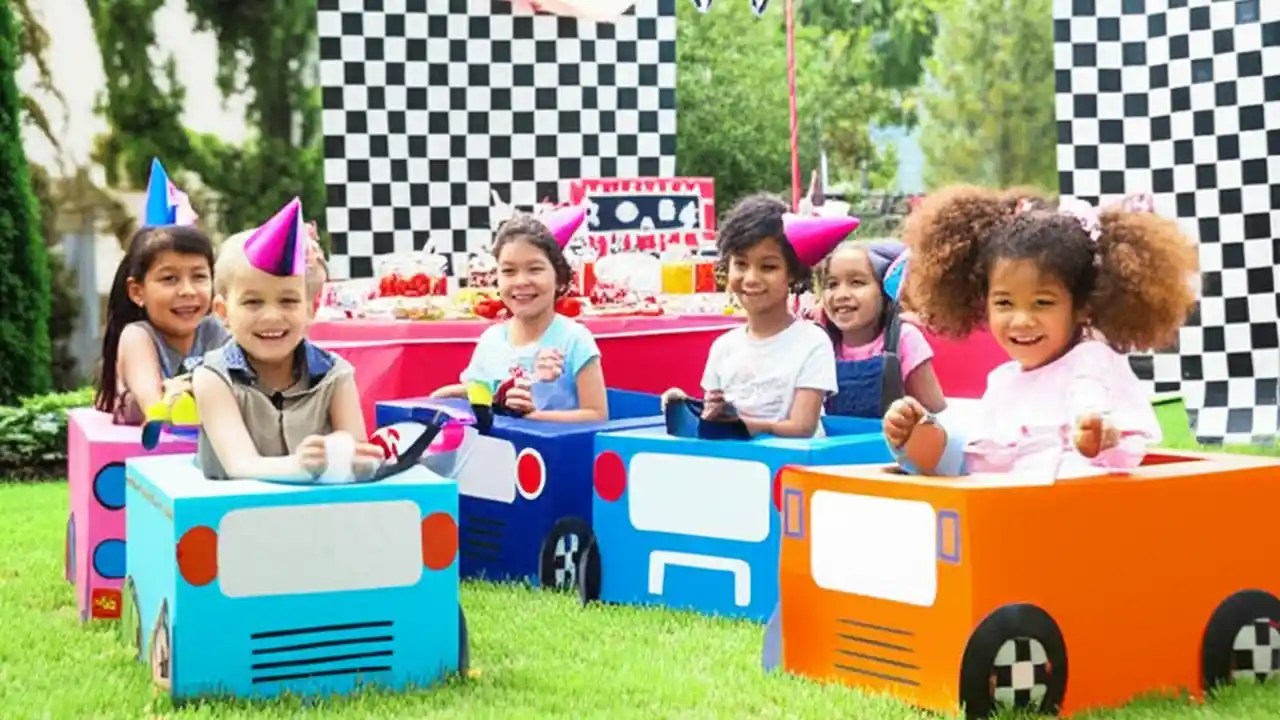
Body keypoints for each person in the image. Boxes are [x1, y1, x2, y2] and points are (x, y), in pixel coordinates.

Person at [883, 186, 1198, 476]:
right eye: (1004, 303)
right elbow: (984, 462)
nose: (1021, 320)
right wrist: (926, 440)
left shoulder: (1090, 363)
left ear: (1082, 306)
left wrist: (1101, 434)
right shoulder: (1004, 381)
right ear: (984, 302)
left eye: (1042, 303)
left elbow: (1113, 436)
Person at [191, 198, 383, 480]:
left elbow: (355, 451)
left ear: (311, 308)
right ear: (222, 312)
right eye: (253, 302)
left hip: (316, 518)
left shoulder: (335, 375)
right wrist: (300, 464)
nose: (271, 316)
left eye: (288, 301)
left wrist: (359, 459)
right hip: (231, 518)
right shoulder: (213, 377)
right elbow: (240, 465)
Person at [662, 193, 856, 438]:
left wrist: (746, 425)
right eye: (741, 264)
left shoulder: (812, 342)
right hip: (740, 469)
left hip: (797, 470)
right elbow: (712, 420)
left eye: (768, 267)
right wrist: (690, 410)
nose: (752, 279)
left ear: (793, 273)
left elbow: (803, 427)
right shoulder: (723, 347)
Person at [430, 207, 608, 423]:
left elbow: (597, 415)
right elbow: (480, 396)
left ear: (560, 278)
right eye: (508, 271)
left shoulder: (575, 339)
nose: (521, 282)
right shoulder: (491, 341)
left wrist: (531, 417)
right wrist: (450, 396)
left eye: (534, 269)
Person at [94, 184, 230, 424]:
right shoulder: (137, 336)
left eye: (199, 276)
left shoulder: (214, 331)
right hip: (145, 452)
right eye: (169, 279)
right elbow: (153, 405)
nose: (188, 291)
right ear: (137, 291)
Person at [816, 239, 945, 418]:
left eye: (856, 282)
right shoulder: (820, 344)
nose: (841, 295)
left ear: (886, 291)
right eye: (832, 284)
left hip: (890, 445)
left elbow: (935, 414)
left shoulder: (904, 339)